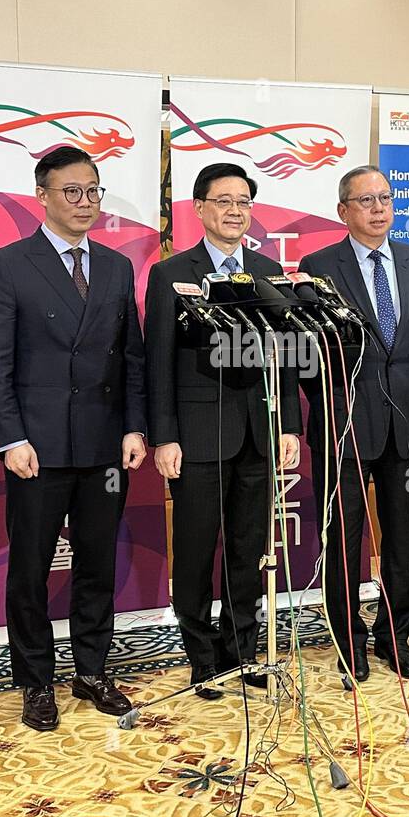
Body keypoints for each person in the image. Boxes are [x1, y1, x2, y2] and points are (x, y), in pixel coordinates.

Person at [0, 146, 146, 730]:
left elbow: (131, 358)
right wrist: (9, 437)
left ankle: (93, 670)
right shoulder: (6, 264)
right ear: (41, 197)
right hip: (36, 448)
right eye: (71, 192)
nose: (84, 203)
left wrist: (134, 425)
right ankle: (35, 680)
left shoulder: (118, 266)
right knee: (30, 568)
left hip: (103, 444)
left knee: (97, 563)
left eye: (93, 191)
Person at [145, 162, 300, 697]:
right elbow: (158, 361)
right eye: (224, 200)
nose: (236, 210)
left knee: (248, 548)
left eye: (244, 201)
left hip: (259, 433)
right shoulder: (171, 273)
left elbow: (285, 357)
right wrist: (163, 435)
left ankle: (241, 651)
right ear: (200, 209)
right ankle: (202, 657)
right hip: (196, 436)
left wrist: (289, 426)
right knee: (193, 550)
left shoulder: (267, 269)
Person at [298, 165, 409, 681]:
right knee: (344, 539)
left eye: (385, 198)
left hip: (403, 422)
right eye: (365, 201)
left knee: (402, 538)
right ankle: (347, 639)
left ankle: (395, 637)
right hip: (344, 424)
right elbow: (310, 354)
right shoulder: (318, 265)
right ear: (343, 211)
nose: (379, 209)